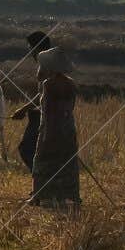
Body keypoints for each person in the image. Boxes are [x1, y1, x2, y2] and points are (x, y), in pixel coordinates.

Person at [29, 44, 80, 207]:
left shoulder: (48, 85)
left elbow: (49, 111)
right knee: (67, 163)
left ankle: (39, 196)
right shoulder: (71, 84)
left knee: (42, 161)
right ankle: (69, 195)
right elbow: (68, 109)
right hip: (68, 130)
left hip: (50, 130)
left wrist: (46, 133)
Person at [10, 30, 52, 172]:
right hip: (48, 115)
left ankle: (41, 182)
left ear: (38, 48)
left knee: (27, 149)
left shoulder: (46, 66)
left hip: (46, 116)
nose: (29, 51)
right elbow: (42, 93)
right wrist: (25, 109)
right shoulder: (49, 63)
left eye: (30, 47)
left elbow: (44, 94)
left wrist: (23, 109)